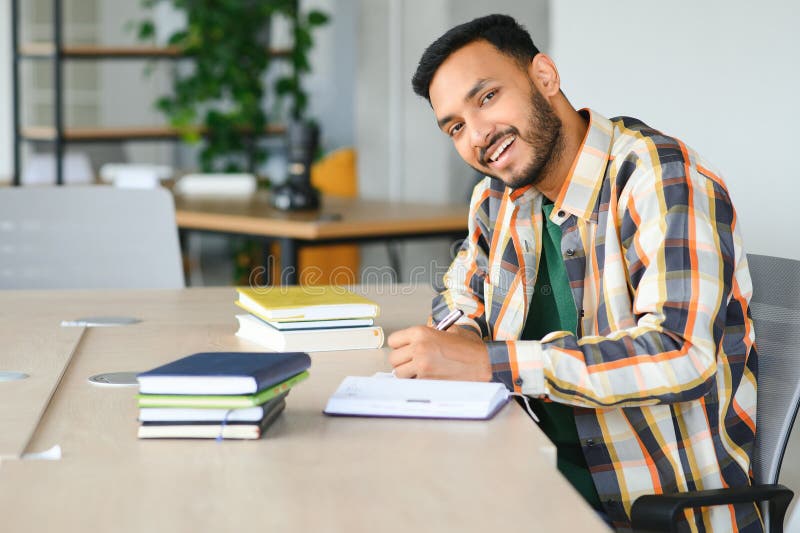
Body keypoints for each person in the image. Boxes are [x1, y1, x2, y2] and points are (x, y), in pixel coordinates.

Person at [388, 14, 759, 532]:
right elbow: (460, 296)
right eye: (455, 126)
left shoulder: (658, 176)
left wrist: (491, 363)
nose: (477, 136)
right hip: (525, 482)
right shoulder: (499, 200)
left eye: (488, 97)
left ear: (544, 76)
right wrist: (463, 338)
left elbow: (682, 353)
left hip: (653, 511)